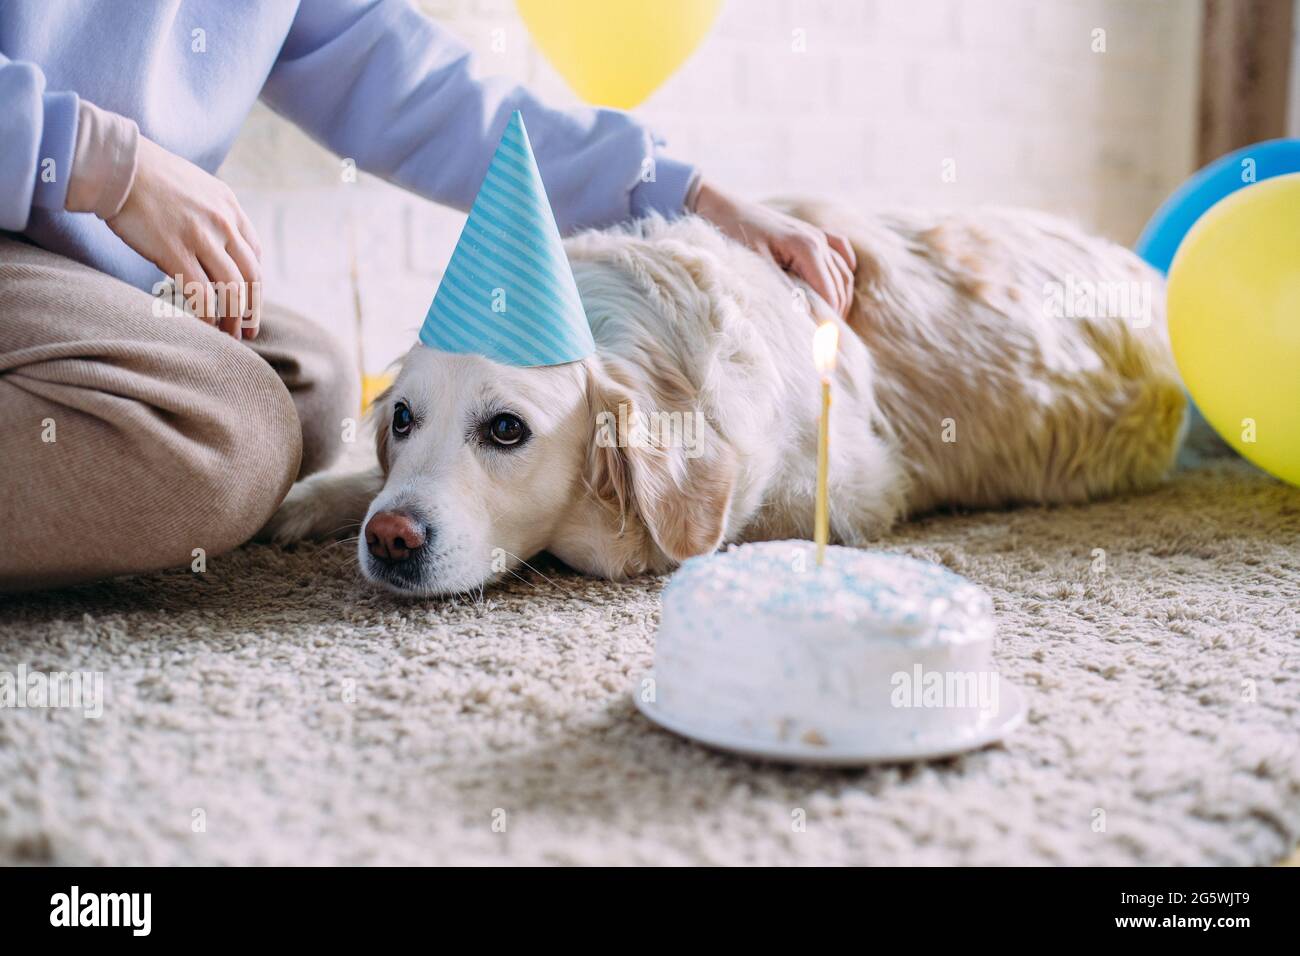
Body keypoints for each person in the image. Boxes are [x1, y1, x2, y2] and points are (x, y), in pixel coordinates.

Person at [0, 0, 855, 592]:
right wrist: (86, 156)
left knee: (311, 382)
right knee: (232, 437)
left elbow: (421, 90)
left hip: (78, 273)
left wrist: (685, 189)